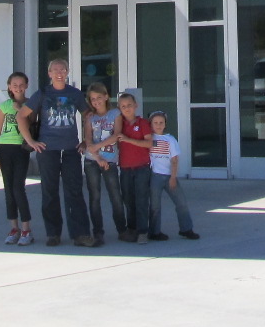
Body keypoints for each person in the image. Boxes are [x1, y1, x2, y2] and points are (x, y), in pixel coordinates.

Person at [23, 58, 95, 247]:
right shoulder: (43, 93)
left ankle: (81, 234)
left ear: (68, 72)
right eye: (55, 70)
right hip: (48, 150)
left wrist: (86, 141)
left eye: (62, 69)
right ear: (49, 74)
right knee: (49, 192)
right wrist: (31, 141)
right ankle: (53, 233)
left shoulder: (75, 94)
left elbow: (88, 116)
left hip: (71, 149)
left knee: (75, 192)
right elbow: (21, 115)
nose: (59, 73)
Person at [0, 71, 34, 246]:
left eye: (21, 84)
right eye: (14, 85)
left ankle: (26, 229)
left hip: (20, 147)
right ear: (9, 87)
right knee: (8, 189)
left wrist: (21, 111)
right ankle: (14, 227)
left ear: (26, 86)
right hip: (4, 148)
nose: (18, 88)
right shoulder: (3, 106)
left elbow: (32, 124)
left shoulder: (30, 104)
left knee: (18, 188)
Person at [81, 82, 126, 247]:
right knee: (95, 197)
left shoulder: (115, 114)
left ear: (106, 96)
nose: (96, 102)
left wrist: (98, 148)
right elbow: (88, 138)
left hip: (110, 161)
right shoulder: (90, 117)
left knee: (115, 196)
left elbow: (116, 135)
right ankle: (98, 232)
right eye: (93, 99)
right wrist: (98, 158)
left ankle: (122, 229)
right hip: (92, 161)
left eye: (99, 97)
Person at [148, 111, 199, 241]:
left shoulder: (170, 139)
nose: (158, 125)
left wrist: (173, 177)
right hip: (154, 176)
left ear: (165, 124)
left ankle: (186, 229)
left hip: (169, 176)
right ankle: (154, 232)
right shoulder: (148, 138)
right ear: (151, 124)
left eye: (161, 122)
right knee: (155, 206)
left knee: (181, 203)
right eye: (155, 123)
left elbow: (175, 160)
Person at [111, 91, 152, 244]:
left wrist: (128, 140)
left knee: (141, 199)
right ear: (119, 108)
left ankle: (143, 231)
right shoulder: (118, 124)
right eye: (123, 106)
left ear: (136, 106)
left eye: (129, 105)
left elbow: (149, 143)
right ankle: (132, 229)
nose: (127, 108)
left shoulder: (142, 123)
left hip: (141, 167)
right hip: (125, 168)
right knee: (128, 200)